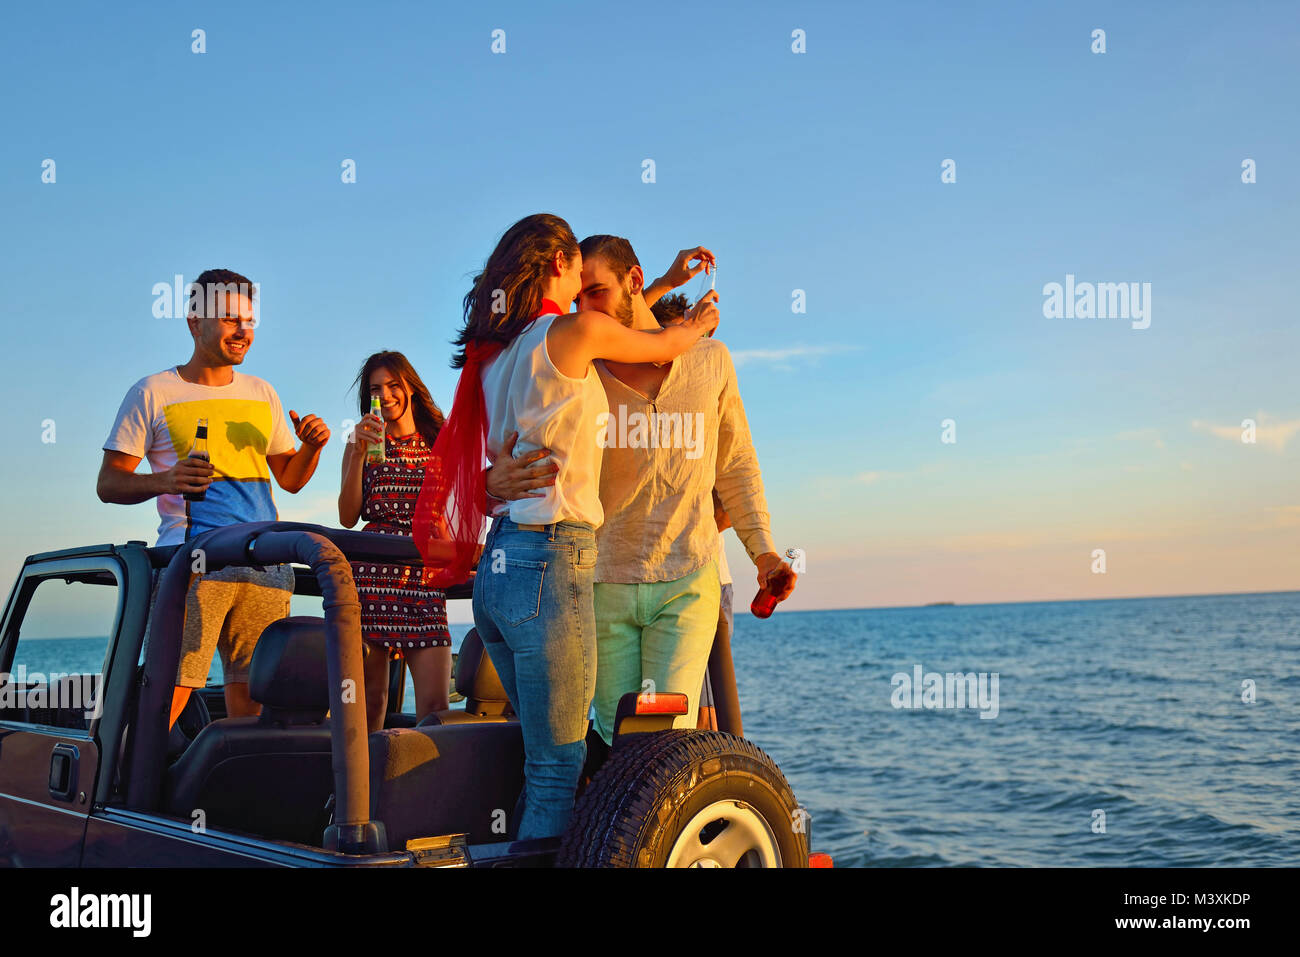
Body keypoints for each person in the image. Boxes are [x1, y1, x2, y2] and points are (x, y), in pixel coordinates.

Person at [411, 213, 718, 841]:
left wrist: (656, 283)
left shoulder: (496, 356)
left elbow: (610, 326)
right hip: (554, 562)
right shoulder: (573, 333)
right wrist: (700, 322)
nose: (583, 289)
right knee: (558, 769)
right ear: (558, 263)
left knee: (543, 762)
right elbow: (659, 346)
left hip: (500, 576)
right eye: (579, 272)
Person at [489, 236, 794, 748]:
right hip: (600, 579)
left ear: (633, 282)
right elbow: (511, 441)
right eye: (577, 298)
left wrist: (762, 552)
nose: (584, 310)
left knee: (669, 734)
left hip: (687, 578)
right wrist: (489, 481)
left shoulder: (711, 361)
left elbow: (736, 464)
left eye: (596, 293)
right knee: (615, 737)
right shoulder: (581, 371)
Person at [97, 268, 331, 727]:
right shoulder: (152, 392)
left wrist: (312, 447)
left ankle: (239, 796)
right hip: (193, 564)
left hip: (266, 563)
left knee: (255, 699)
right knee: (172, 690)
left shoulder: (262, 392)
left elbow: (291, 479)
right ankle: (133, 791)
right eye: (228, 319)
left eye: (248, 320)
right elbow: (109, 483)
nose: (242, 331)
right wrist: (164, 481)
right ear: (194, 323)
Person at [339, 351, 453, 733]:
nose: (385, 396)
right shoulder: (362, 444)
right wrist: (356, 454)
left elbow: (457, 508)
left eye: (393, 386)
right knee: (370, 703)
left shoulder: (440, 439)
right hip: (372, 576)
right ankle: (365, 790)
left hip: (421, 576)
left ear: (411, 388)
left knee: (436, 709)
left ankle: (424, 790)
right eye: (375, 389)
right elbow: (347, 517)